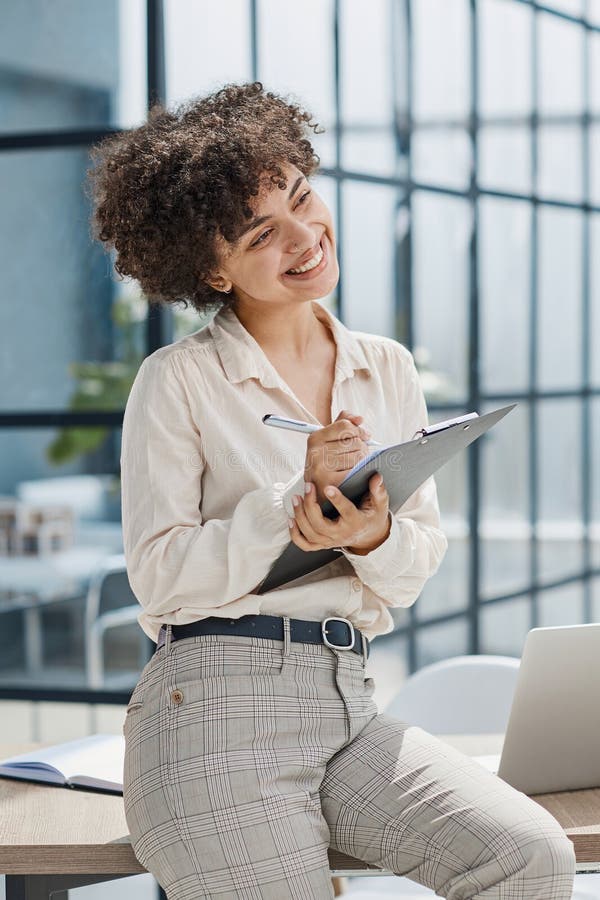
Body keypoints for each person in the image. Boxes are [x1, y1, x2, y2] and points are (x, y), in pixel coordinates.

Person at [88, 82, 576, 899]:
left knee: (528, 858)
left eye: (303, 197)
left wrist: (369, 535)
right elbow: (160, 574)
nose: (304, 236)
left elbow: (413, 569)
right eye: (261, 233)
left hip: (350, 705)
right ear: (211, 267)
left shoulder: (384, 366)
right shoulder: (177, 380)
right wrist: (291, 504)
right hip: (209, 711)